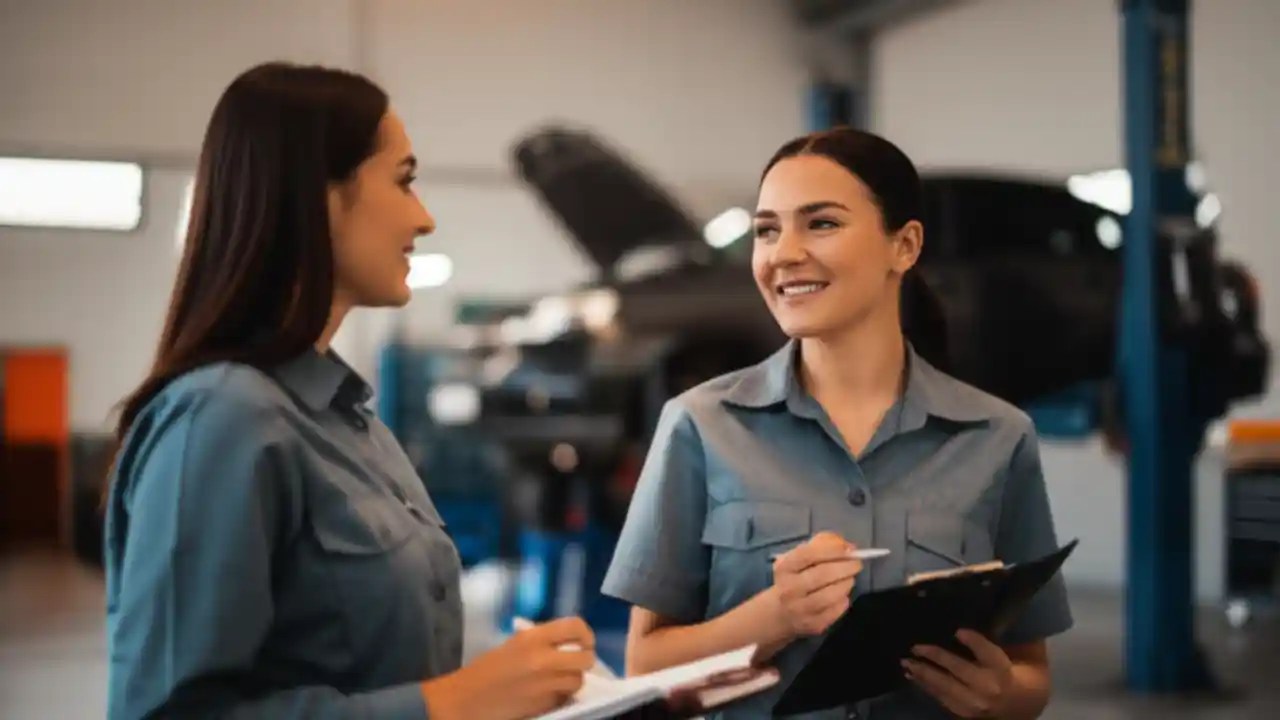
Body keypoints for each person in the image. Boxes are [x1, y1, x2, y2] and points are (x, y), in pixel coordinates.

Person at [103, 62, 595, 720]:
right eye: (404, 181)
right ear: (319, 197)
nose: (424, 218)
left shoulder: (349, 422)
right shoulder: (222, 419)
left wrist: (511, 688)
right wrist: (451, 703)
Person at [600, 128, 1073, 720]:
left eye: (820, 223)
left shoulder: (998, 437)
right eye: (767, 230)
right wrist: (774, 617)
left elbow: (1031, 674)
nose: (784, 253)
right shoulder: (700, 425)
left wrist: (1003, 698)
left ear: (905, 245)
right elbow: (645, 667)